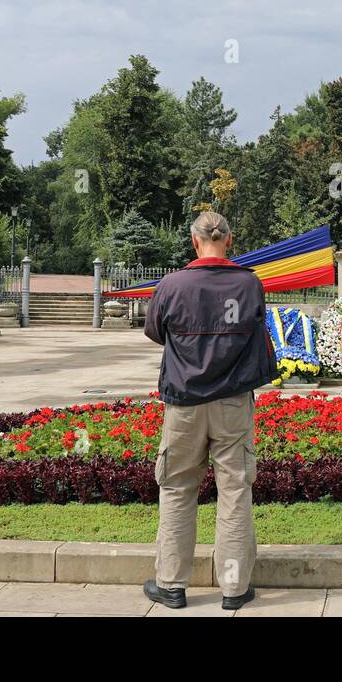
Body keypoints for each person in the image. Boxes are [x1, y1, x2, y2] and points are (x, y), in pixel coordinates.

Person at [142, 210, 275, 611]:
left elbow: (155, 332)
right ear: (229, 241)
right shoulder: (249, 284)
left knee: (178, 489)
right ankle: (234, 589)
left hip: (184, 403)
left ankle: (172, 585)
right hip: (233, 403)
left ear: (194, 241)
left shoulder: (172, 284)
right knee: (234, 490)